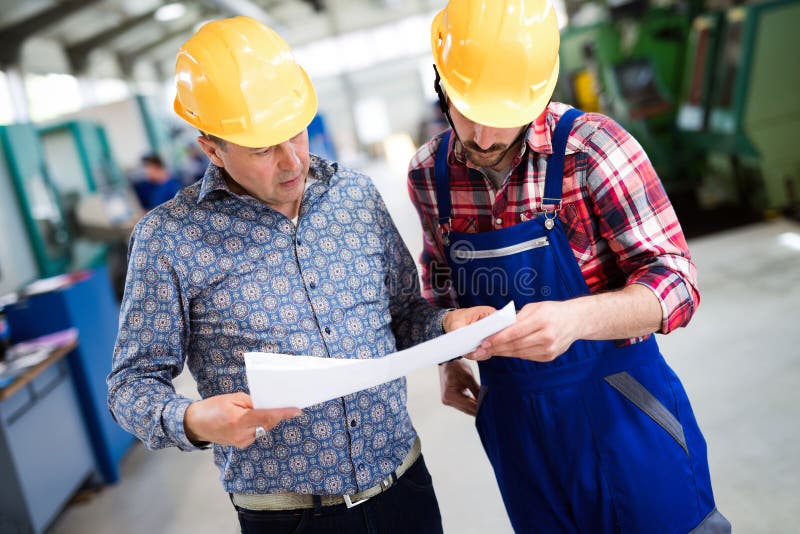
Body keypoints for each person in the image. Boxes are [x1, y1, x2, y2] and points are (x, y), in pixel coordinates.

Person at [108, 17, 491, 534]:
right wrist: (195, 420)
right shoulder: (169, 239)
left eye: (295, 133)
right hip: (291, 520)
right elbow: (130, 385)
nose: (291, 162)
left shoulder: (354, 195)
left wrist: (446, 327)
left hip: (404, 489)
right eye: (262, 149)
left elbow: (404, 313)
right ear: (212, 148)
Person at [407, 1, 731, 532]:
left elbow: (677, 283)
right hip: (516, 428)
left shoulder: (593, 148)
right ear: (442, 85)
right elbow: (440, 278)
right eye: (466, 110)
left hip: (623, 410)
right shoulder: (428, 175)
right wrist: (449, 357)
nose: (483, 137)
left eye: (502, 114)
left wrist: (577, 319)